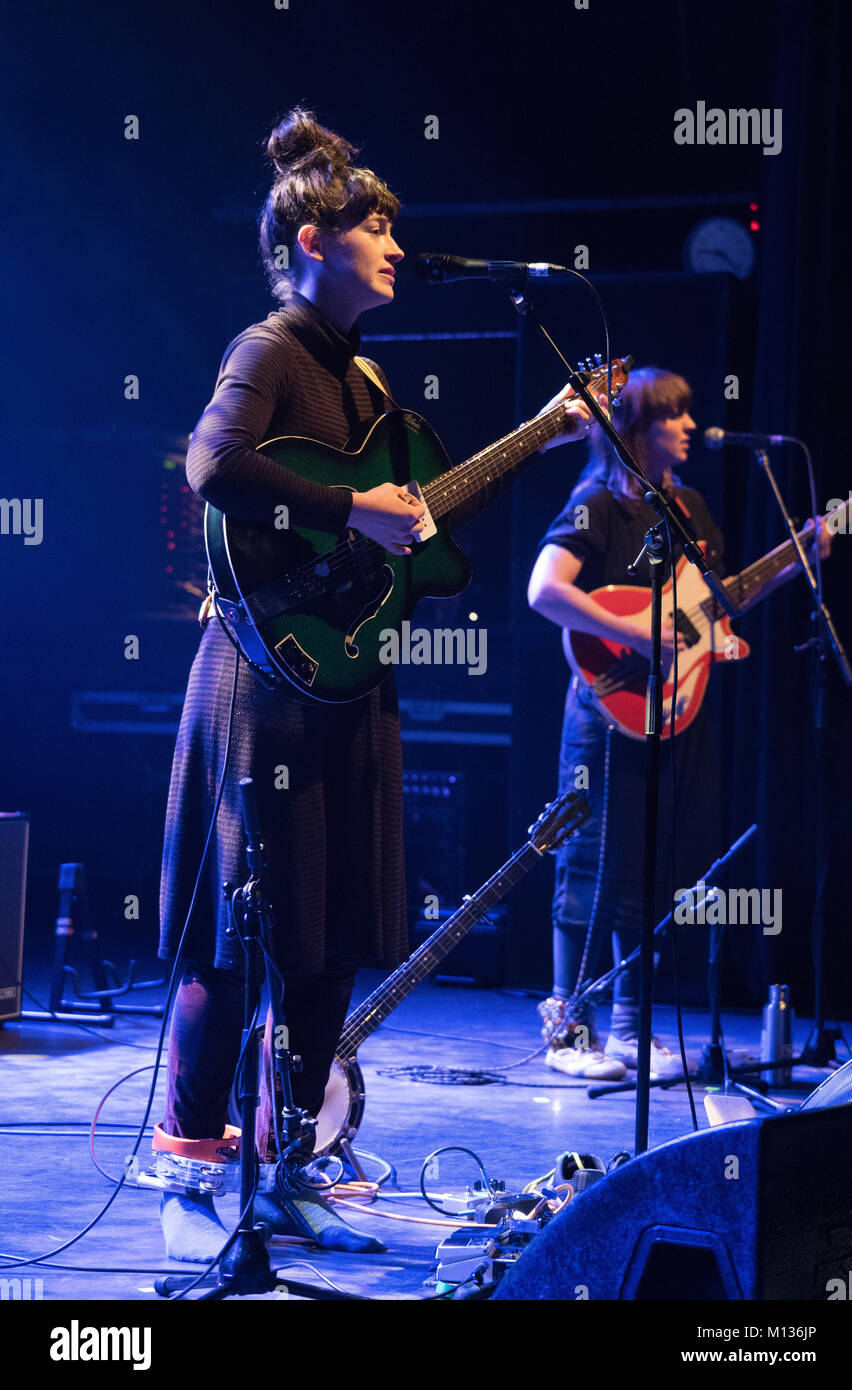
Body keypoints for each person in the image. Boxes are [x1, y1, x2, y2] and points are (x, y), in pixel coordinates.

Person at [158, 108, 593, 1262]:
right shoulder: (268, 352)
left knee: (331, 923)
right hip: (261, 674)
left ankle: (290, 1158)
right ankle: (188, 1164)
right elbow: (213, 465)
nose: (396, 242)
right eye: (375, 223)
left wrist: (545, 436)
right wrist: (350, 508)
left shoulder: (368, 381)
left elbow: (428, 528)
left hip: (348, 688)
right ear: (311, 237)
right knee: (229, 927)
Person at [528, 368, 727, 1081]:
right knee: (587, 866)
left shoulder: (691, 510)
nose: (688, 427)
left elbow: (706, 608)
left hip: (667, 710)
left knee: (645, 873)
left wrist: (722, 634)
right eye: (672, 417)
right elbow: (545, 591)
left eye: (688, 414)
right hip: (604, 708)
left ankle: (630, 1032)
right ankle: (567, 1029)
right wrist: (635, 635)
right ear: (636, 433)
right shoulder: (597, 506)